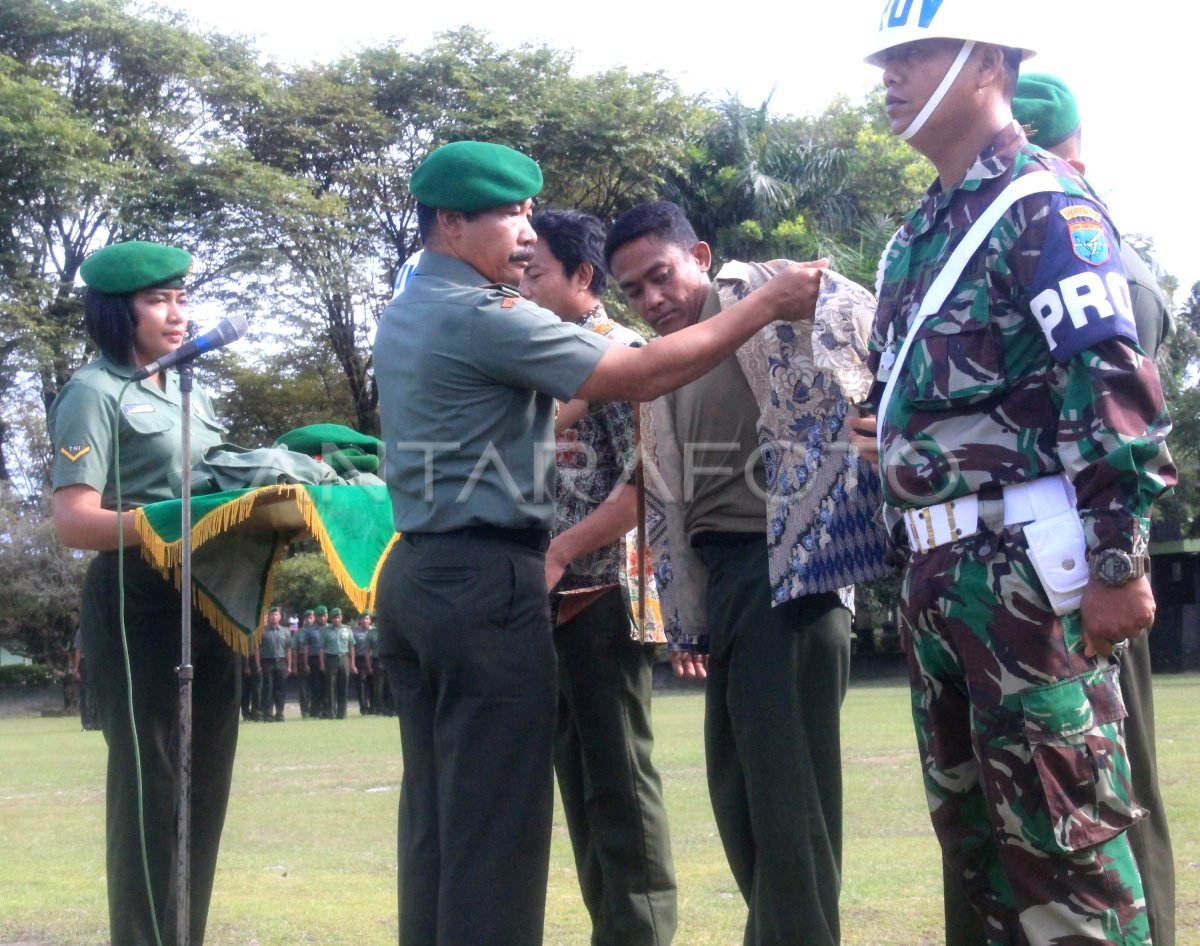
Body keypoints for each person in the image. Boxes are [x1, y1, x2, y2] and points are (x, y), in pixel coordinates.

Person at [372, 140, 828, 946]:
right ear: (451, 222)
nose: (524, 232)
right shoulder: (484, 313)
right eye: (507, 213)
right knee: (498, 830)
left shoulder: (410, 306)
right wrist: (764, 304)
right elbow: (641, 376)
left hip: (420, 576)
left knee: (439, 823)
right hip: (486, 581)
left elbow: (536, 425)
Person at [855, 6, 1176, 944]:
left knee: (1070, 859)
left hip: (1027, 579)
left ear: (988, 62)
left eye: (913, 54)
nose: (891, 76)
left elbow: (1111, 383)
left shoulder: (1042, 203)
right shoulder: (917, 233)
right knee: (984, 866)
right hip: (937, 580)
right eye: (887, 57)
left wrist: (1119, 560)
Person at [605, 200, 884, 946]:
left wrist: (889, 429)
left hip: (791, 573)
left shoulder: (764, 292)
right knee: (741, 798)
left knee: (789, 811)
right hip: (725, 581)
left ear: (699, 254)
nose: (651, 299)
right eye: (631, 290)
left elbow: (878, 329)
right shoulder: (668, 357)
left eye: (660, 275)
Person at [48, 240, 242, 946]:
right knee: (151, 785)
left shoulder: (193, 392)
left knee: (205, 786)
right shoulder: (93, 393)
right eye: (157, 300)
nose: (177, 312)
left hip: (214, 593)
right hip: (138, 599)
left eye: (181, 298)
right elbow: (74, 520)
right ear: (115, 311)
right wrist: (166, 522)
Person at [517, 210, 677, 946]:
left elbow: (647, 484)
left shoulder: (621, 355)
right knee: (580, 793)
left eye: (536, 271)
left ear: (583, 279)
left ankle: (639, 933)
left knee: (619, 788)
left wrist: (561, 550)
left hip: (605, 595)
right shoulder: (551, 358)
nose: (521, 282)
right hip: (555, 602)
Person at [321, 607, 355, 720]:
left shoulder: (347, 629)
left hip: (344, 658)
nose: (336, 619)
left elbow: (351, 647)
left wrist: (352, 663)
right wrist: (322, 663)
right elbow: (321, 648)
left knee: (343, 686)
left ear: (342, 617)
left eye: (338, 617)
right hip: (331, 658)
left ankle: (342, 714)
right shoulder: (326, 631)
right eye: (334, 617)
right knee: (330, 687)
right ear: (331, 618)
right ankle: (331, 713)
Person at [259, 605, 290, 722]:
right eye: (271, 615)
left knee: (281, 689)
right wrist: (258, 664)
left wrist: (289, 665)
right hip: (267, 661)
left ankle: (280, 714)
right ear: (268, 617)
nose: (274, 617)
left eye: (276, 615)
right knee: (267, 689)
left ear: (280, 617)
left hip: (281, 661)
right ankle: (267, 715)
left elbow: (288, 649)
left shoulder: (285, 631)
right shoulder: (262, 631)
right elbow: (258, 649)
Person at [71, 626, 99, 730]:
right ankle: (98, 723)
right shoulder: (98, 629)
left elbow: (78, 650)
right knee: (97, 693)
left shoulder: (81, 630)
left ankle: (87, 724)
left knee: (86, 694)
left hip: (85, 662)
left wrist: (76, 669)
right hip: (97, 662)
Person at [307, 605, 329, 718]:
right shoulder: (311, 630)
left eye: (324, 615)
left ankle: (327, 710)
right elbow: (306, 647)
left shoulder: (331, 628)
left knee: (328, 686)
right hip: (314, 659)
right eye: (320, 616)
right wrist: (306, 663)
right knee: (316, 686)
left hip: (329, 659)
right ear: (316, 617)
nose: (322, 618)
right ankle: (316, 711)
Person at [291, 609, 314, 718]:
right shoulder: (299, 632)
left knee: (316, 685)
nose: (309, 620)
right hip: (301, 659)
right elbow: (294, 650)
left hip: (315, 658)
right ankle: (305, 711)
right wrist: (294, 666)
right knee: (303, 687)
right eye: (307, 618)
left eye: (311, 617)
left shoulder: (318, 630)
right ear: (303, 619)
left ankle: (316, 709)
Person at [352, 612, 373, 715]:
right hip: (360, 660)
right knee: (361, 685)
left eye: (367, 619)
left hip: (373, 659)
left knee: (374, 684)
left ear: (370, 620)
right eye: (363, 619)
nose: (365, 621)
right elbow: (352, 649)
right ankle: (363, 707)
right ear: (359, 621)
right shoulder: (355, 633)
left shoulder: (374, 631)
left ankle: (374, 706)